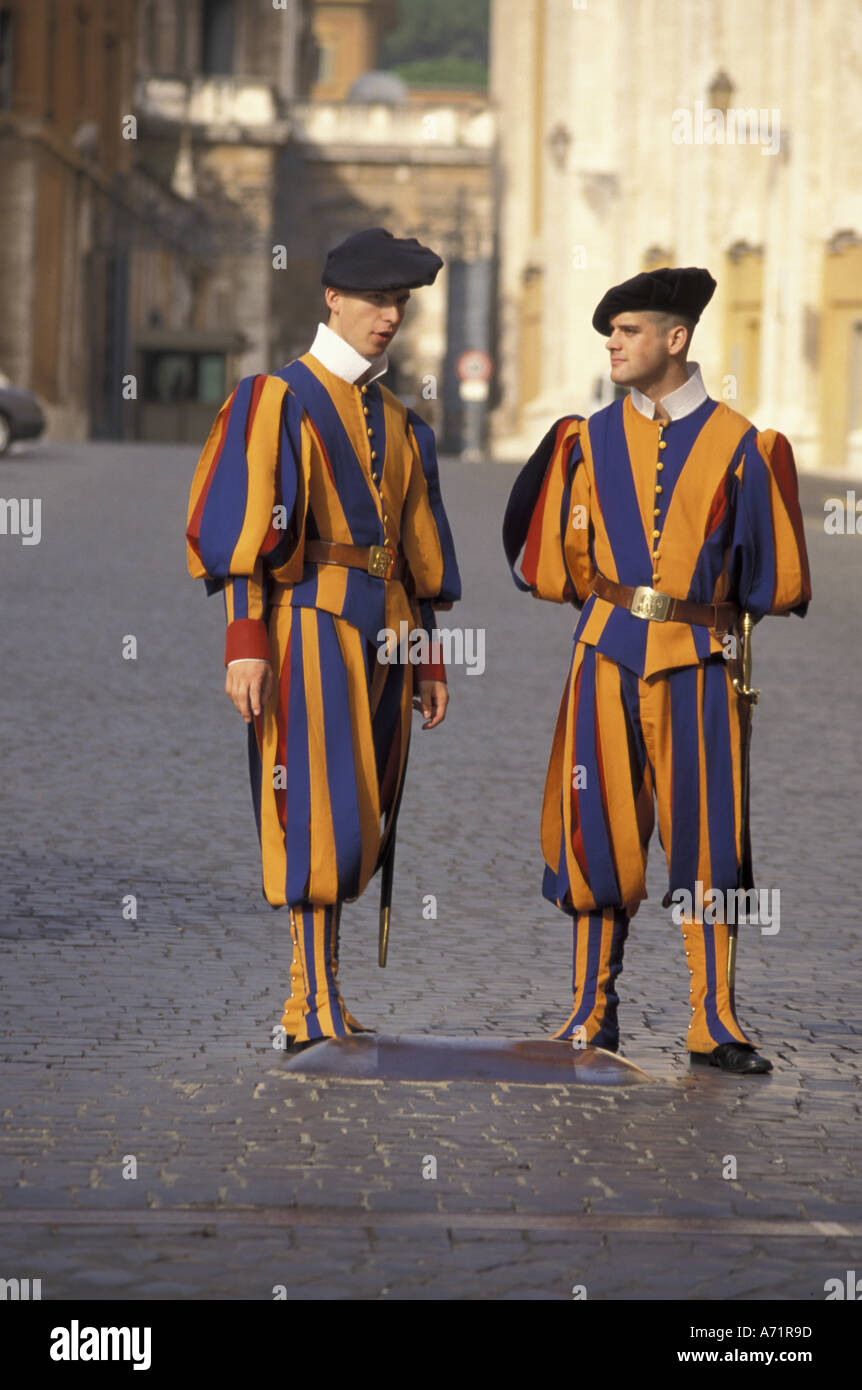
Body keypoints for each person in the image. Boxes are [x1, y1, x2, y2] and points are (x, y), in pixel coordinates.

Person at [503, 266, 811, 1075]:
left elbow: (768, 581)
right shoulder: (587, 440)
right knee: (595, 828)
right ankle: (589, 1010)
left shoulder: (747, 447)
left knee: (712, 837)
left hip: (701, 661)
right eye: (610, 331)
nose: (613, 342)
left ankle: (713, 1020)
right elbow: (557, 566)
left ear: (676, 340)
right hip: (603, 654)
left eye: (629, 330)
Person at [187, 227, 461, 1049]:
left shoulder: (404, 423)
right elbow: (242, 516)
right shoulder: (275, 398)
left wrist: (426, 655)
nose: (389, 317)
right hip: (303, 622)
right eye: (376, 299)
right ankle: (307, 1006)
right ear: (333, 298)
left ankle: (316, 996)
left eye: (401, 304)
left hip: (384, 636)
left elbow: (416, 555)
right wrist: (245, 637)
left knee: (362, 817)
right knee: (315, 810)